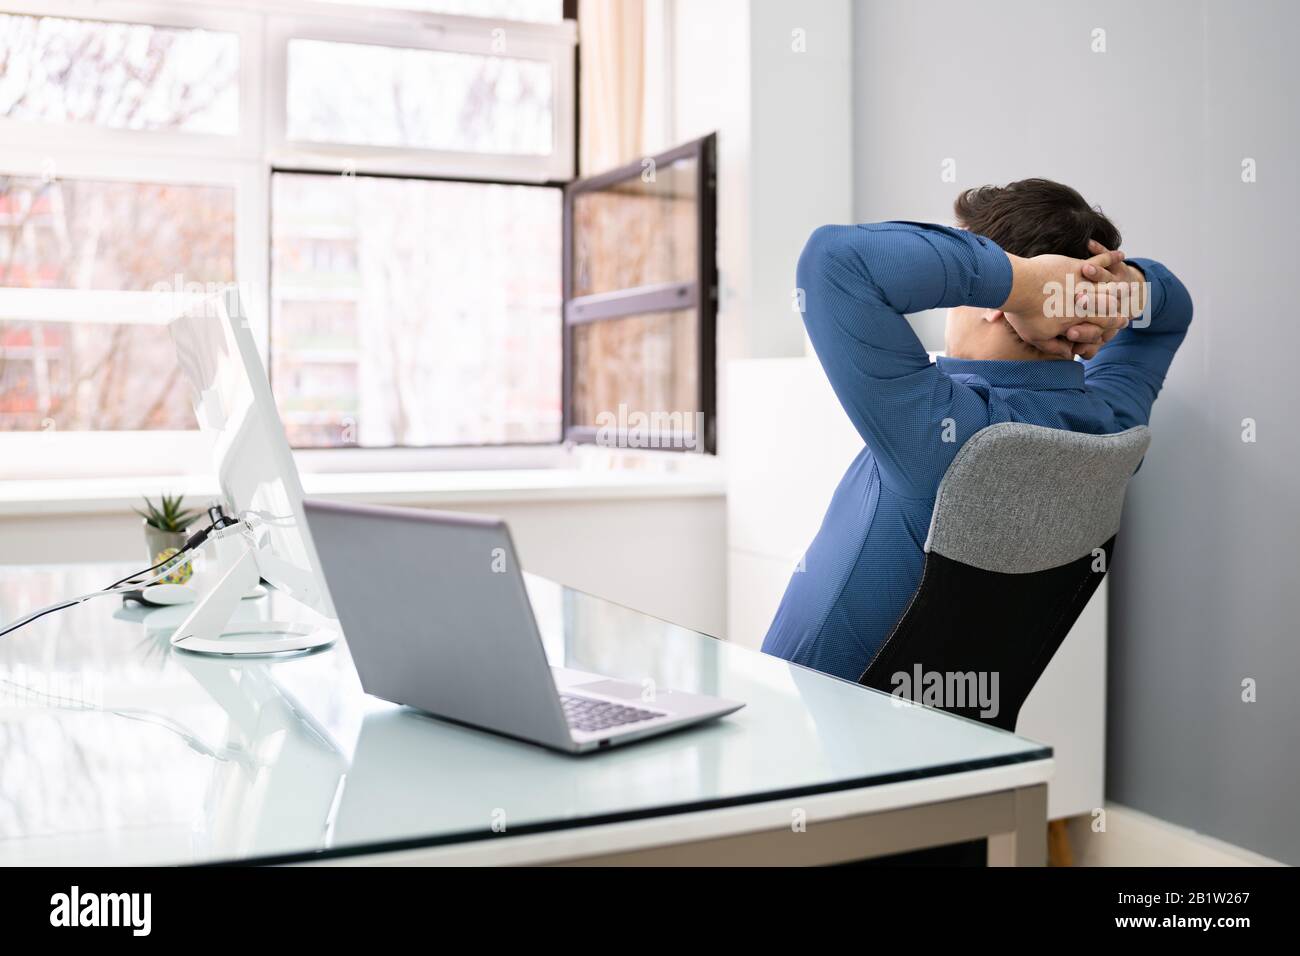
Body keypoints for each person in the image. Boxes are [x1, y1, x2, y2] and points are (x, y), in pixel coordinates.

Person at [761, 178, 1193, 682]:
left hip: (810, 732)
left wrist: (1026, 286)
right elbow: (1173, 310)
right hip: (956, 743)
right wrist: (1117, 291)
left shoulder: (943, 430)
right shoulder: (1108, 426)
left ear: (992, 298)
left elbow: (833, 261)